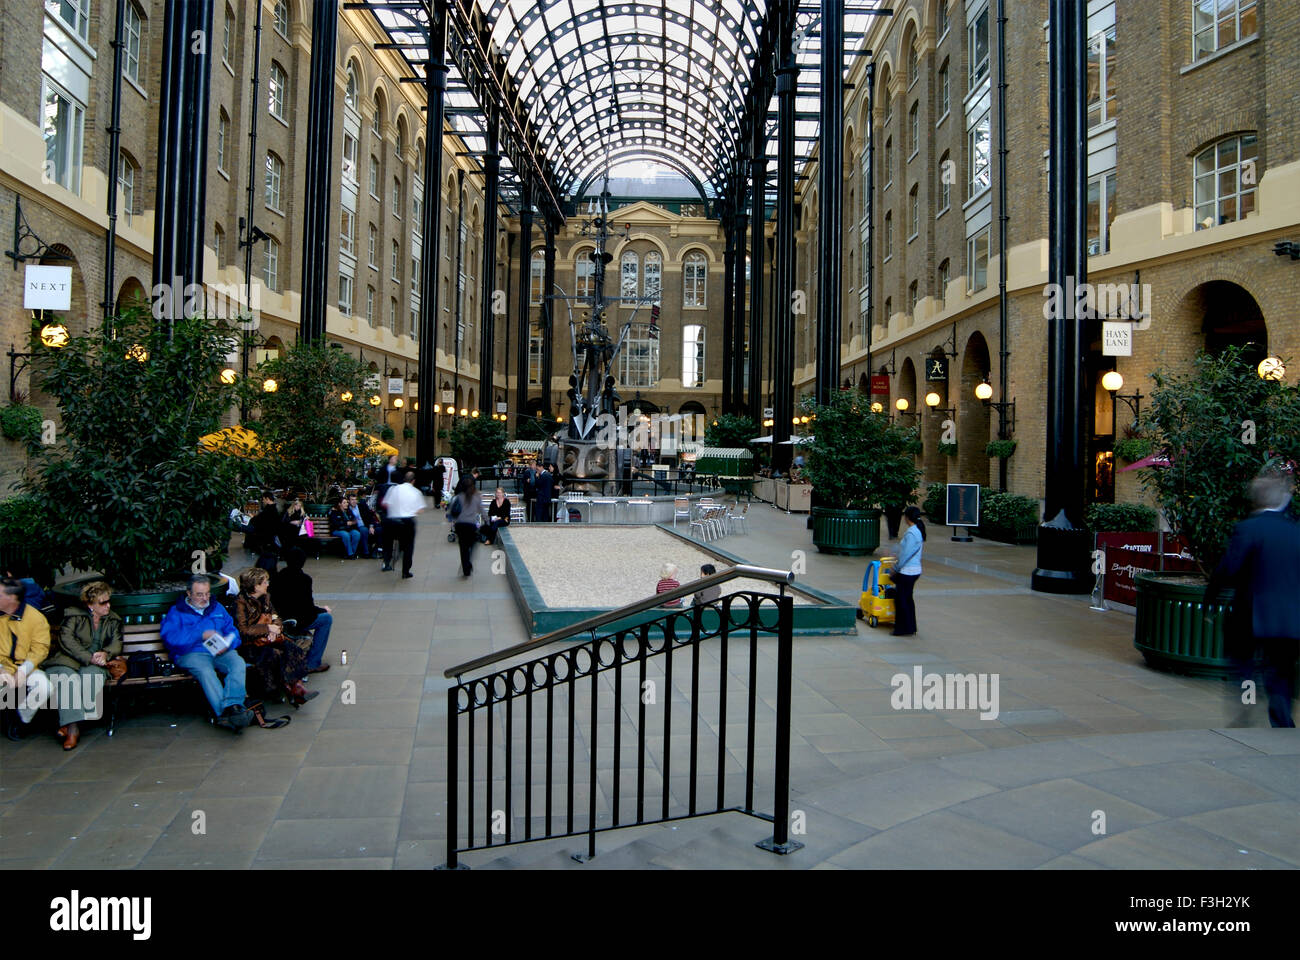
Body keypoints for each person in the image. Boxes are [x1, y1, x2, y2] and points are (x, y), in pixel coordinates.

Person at [1206, 473, 1300, 728]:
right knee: (1281, 672)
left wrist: (1211, 601)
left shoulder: (1247, 529)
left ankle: (1245, 713)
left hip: (1250, 616)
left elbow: (1228, 569)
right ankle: (1281, 721)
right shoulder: (1295, 532)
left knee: (1244, 666)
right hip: (1288, 620)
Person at [160, 575, 250, 732]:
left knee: (237, 663)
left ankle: (233, 706)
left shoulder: (217, 608)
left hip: (219, 651)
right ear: (189, 593)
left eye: (207, 593)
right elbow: (171, 640)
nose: (204, 598)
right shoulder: (177, 612)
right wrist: (200, 634)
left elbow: (233, 631)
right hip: (191, 653)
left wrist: (228, 642)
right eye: (199, 594)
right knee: (205, 671)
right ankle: (224, 714)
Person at [44, 580, 123, 750]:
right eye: (102, 603)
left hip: (96, 663)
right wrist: (88, 657)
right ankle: (73, 729)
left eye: (109, 601)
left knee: (92, 677)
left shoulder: (113, 620)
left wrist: (106, 653)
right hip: (67, 660)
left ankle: (68, 724)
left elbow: (117, 643)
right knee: (66, 678)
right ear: (90, 604)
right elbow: (67, 640)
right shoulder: (73, 616)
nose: (107, 606)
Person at [234, 567, 315, 712]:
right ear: (256, 586)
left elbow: (276, 616)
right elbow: (243, 630)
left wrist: (275, 628)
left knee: (293, 648)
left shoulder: (266, 598)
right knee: (273, 654)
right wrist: (267, 629)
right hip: (251, 645)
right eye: (265, 582)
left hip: (269, 638)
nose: (267, 584)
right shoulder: (241, 603)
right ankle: (288, 689)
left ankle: (297, 686)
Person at [0, 577, 51, 741]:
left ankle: (20, 719)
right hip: (2, 665)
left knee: (44, 687)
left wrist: (23, 671)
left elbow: (40, 649)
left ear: (12, 598)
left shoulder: (35, 618)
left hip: (27, 666)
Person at [270, 547, 333, 672]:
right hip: (297, 620)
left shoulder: (278, 577)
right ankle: (313, 662)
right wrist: (323, 610)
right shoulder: (304, 579)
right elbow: (307, 608)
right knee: (326, 619)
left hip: (281, 618)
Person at [889, 506, 926, 637]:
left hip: (908, 571)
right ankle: (910, 627)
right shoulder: (918, 530)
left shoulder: (911, 533)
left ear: (907, 517)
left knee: (901, 600)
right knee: (908, 599)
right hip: (914, 570)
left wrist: (895, 568)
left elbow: (905, 555)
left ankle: (903, 628)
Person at [381, 470, 426, 578]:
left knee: (388, 541)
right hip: (407, 522)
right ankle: (405, 571)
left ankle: (386, 562)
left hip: (392, 521)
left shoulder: (393, 489)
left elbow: (385, 503)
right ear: (413, 481)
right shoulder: (416, 492)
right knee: (409, 546)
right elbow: (420, 510)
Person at [446, 480, 487, 576]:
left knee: (463, 547)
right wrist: (487, 521)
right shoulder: (476, 498)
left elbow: (451, 510)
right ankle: (468, 562)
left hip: (460, 525)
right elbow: (482, 511)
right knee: (472, 545)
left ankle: (465, 567)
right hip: (471, 525)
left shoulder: (458, 497)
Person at [247, 492, 283, 571]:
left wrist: (252, 518)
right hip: (268, 533)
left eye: (263, 499)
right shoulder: (273, 509)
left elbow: (259, 521)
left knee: (244, 527)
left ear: (267, 499)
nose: (262, 501)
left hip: (264, 534)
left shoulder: (269, 510)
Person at [346, 493, 379, 558]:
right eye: (352, 500)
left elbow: (370, 516)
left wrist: (371, 526)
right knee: (364, 530)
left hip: (366, 525)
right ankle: (366, 552)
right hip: (356, 527)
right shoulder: (347, 509)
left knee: (379, 530)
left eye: (355, 499)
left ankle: (376, 550)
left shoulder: (362, 506)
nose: (354, 501)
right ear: (348, 501)